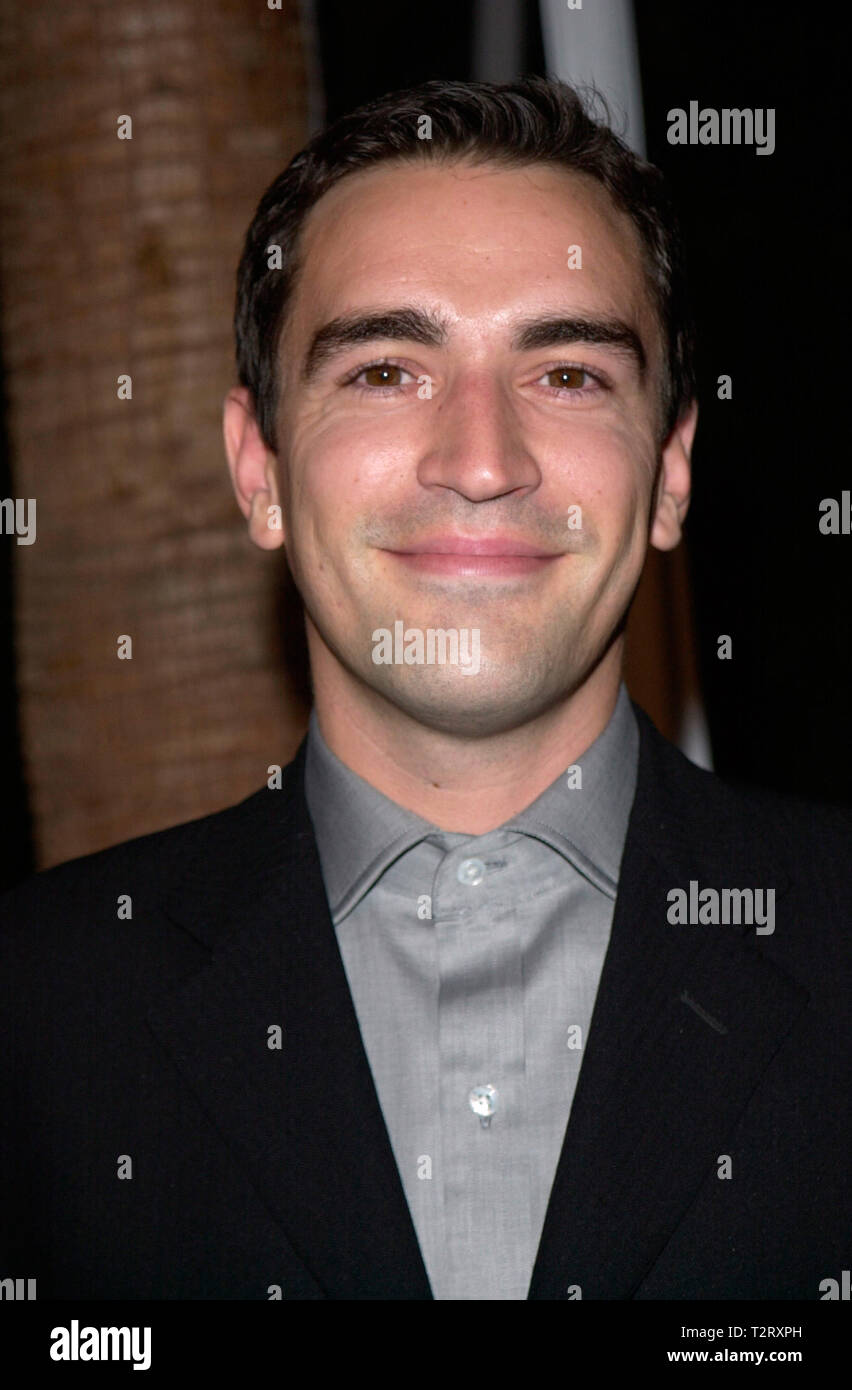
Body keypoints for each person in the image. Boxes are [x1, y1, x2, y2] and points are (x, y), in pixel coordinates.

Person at [1, 77, 849, 1302]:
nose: (482, 461)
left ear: (670, 475)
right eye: (388, 370)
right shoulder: (36, 1011)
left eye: (567, 373)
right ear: (260, 468)